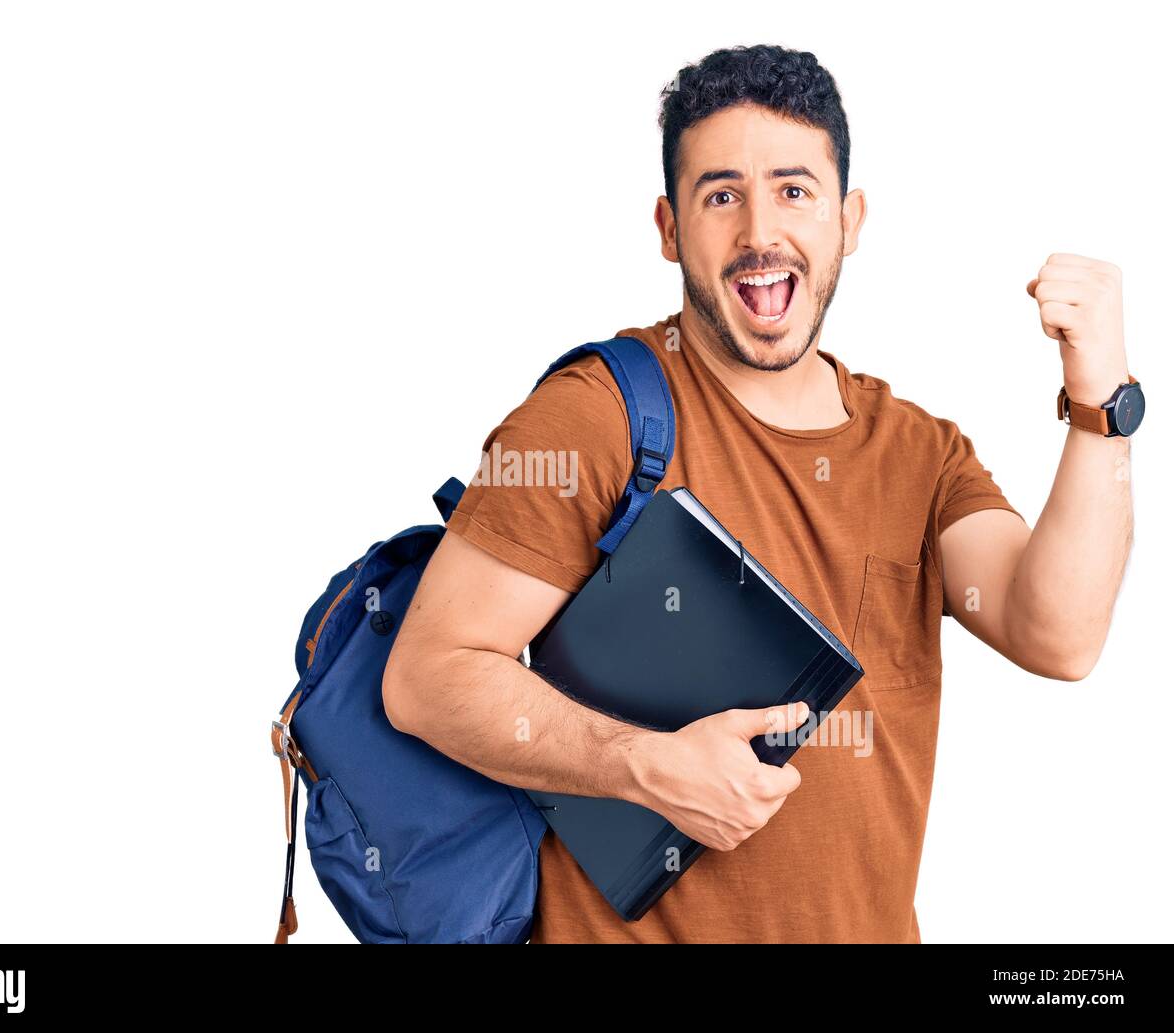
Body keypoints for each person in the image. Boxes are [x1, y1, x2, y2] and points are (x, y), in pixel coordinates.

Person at [381, 43, 1139, 943]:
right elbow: (426, 679)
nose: (758, 235)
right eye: (721, 195)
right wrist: (642, 767)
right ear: (668, 228)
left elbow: (1057, 632)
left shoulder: (919, 452)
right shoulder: (595, 419)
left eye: (793, 190)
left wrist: (1102, 401)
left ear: (849, 220)